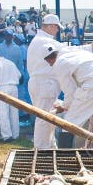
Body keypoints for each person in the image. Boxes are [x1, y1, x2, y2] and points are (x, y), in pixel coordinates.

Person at [27, 13, 64, 149]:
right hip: (44, 83)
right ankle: (41, 149)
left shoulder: (40, 40)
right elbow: (65, 51)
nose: (57, 30)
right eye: (56, 27)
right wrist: (90, 47)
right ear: (51, 26)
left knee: (47, 118)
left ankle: (49, 147)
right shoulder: (44, 41)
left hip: (42, 83)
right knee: (44, 118)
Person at [0, 48, 22, 141]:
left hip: (4, 87)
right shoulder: (11, 63)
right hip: (14, 87)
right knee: (14, 112)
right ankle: (15, 134)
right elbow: (19, 75)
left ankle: (7, 136)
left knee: (3, 112)